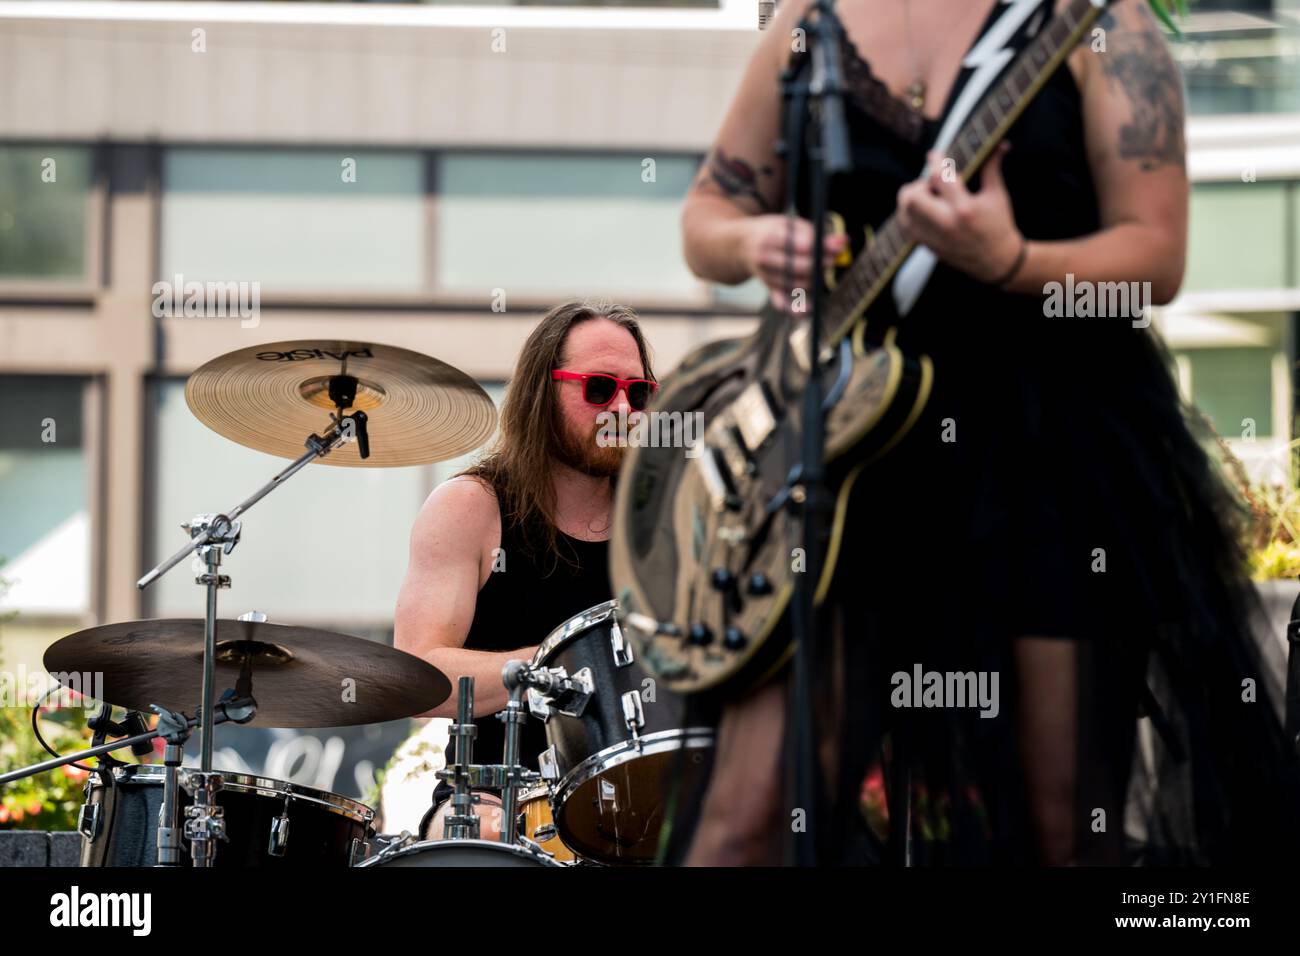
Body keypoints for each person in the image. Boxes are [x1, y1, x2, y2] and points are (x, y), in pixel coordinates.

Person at [670, 0, 1300, 865]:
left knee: (1058, 829)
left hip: (1053, 455)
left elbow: (1156, 255)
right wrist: (753, 240)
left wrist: (1011, 262)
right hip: (852, 462)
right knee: (741, 824)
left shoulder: (1099, 24)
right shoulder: (807, 26)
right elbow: (705, 215)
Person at [394, 299, 657, 840]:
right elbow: (417, 679)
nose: (623, 409)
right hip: (495, 796)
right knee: (474, 838)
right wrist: (569, 667)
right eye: (600, 389)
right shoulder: (472, 507)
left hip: (645, 796)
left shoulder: (661, 519)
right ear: (542, 392)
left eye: (638, 392)